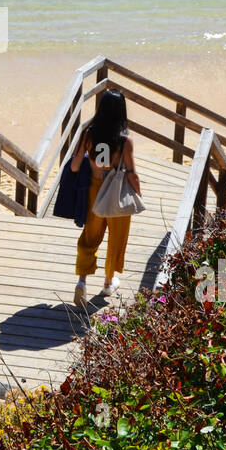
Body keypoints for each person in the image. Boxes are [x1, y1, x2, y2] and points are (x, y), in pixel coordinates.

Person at [69, 88, 141, 308]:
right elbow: (131, 172)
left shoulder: (89, 134)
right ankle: (109, 283)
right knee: (116, 238)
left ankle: (82, 280)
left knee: (90, 235)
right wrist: (138, 192)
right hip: (117, 192)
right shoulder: (125, 140)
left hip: (94, 191)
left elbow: (74, 166)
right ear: (121, 111)